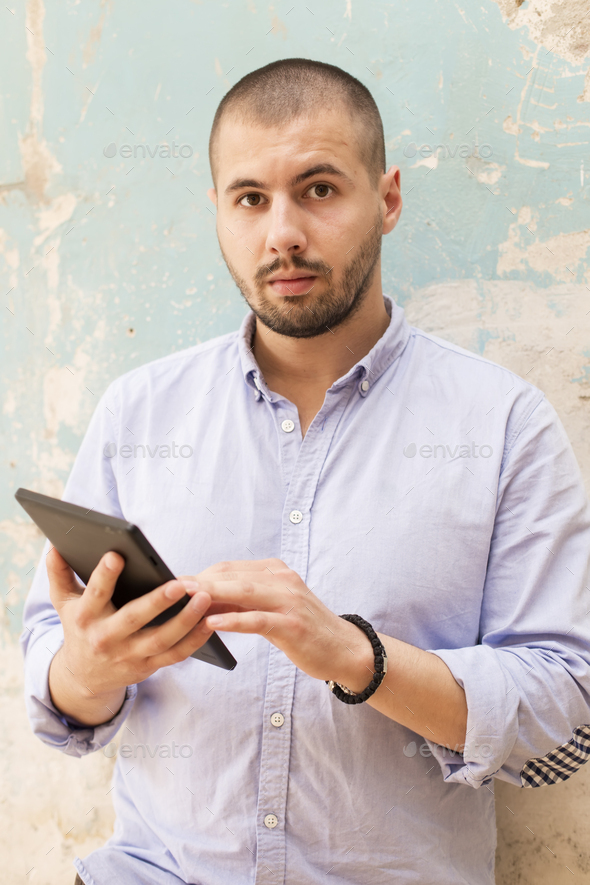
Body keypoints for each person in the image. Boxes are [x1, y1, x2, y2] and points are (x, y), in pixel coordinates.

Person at [21, 58, 590, 885]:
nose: (281, 231)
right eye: (250, 198)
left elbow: (562, 708)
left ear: (387, 198)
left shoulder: (502, 424)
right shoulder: (138, 413)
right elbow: (55, 671)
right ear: (217, 211)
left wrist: (357, 656)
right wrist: (87, 669)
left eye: (318, 190)